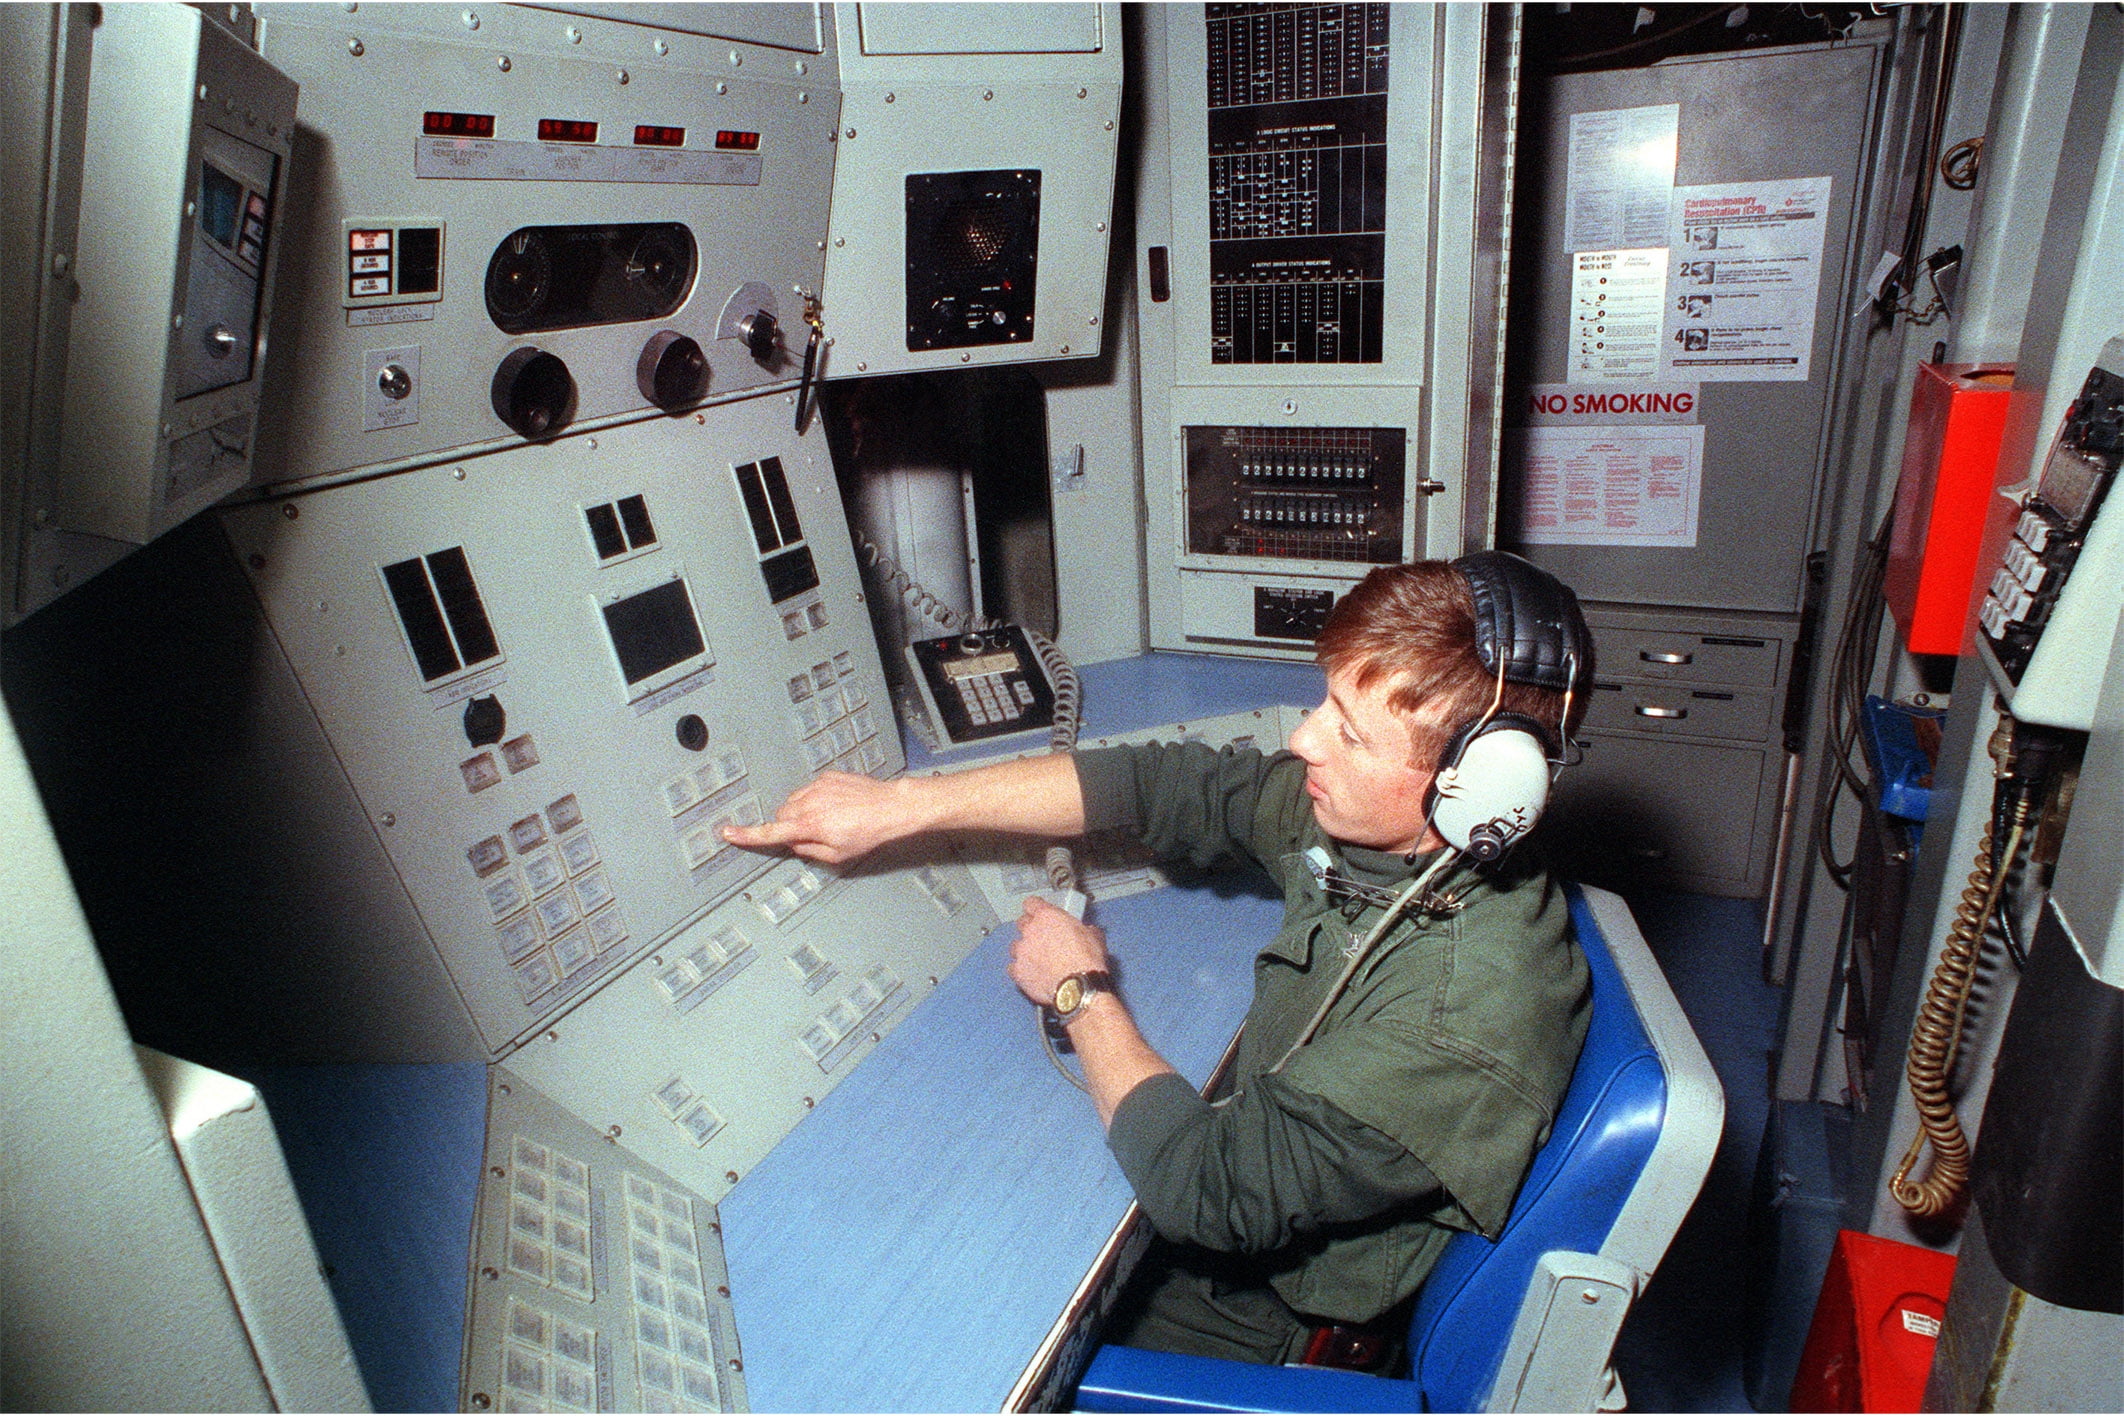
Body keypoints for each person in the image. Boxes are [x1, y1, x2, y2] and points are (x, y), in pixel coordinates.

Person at [723, 555, 1594, 1370]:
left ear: (1482, 788)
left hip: (1260, 1319)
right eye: (1323, 701)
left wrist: (1080, 991)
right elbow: (1163, 785)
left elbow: (1205, 1189)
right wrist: (901, 806)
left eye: (1351, 735)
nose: (1302, 740)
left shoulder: (1459, 1017)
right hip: (1232, 1234)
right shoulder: (1393, 841)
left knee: (925, 1326)